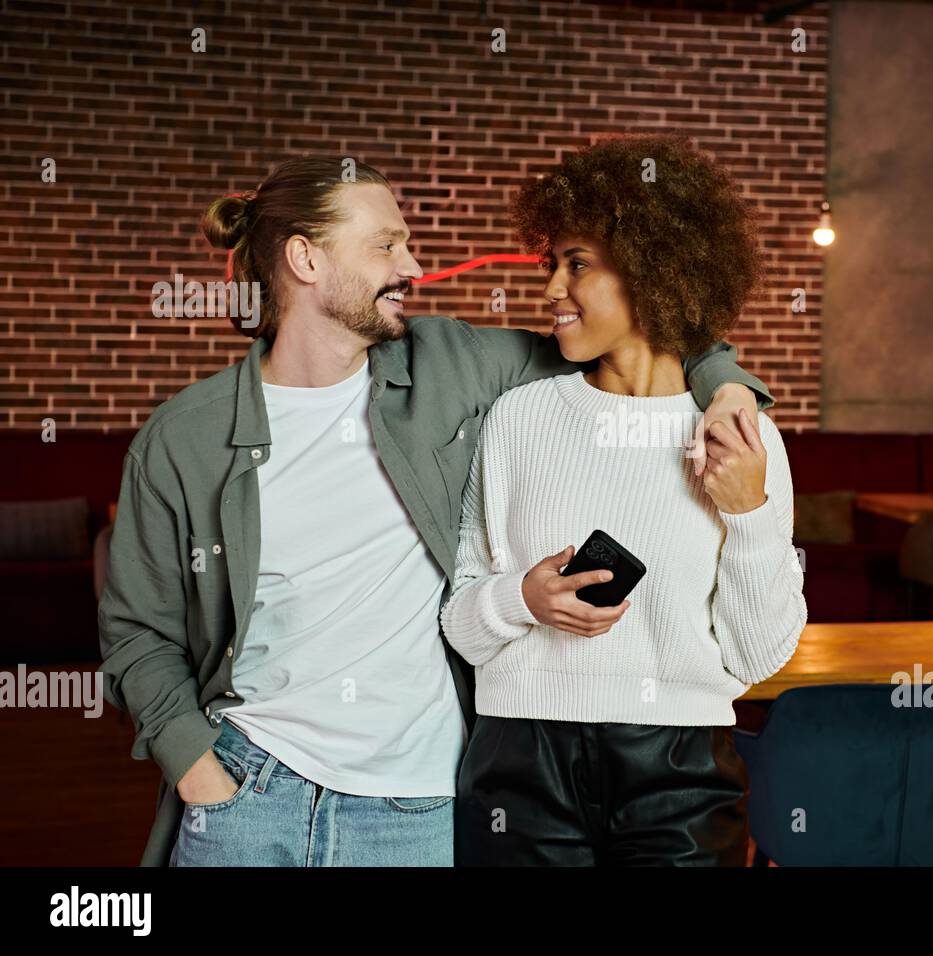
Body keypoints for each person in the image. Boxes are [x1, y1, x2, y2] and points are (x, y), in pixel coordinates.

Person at [97, 155, 773, 866]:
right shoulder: (185, 437)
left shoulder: (454, 364)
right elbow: (137, 632)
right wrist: (202, 777)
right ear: (305, 258)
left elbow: (632, 334)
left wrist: (725, 382)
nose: (412, 265)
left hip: (413, 805)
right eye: (386, 245)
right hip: (247, 792)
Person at [442, 134, 807, 866]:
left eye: (576, 264)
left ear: (653, 269)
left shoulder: (740, 433)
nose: (550, 289)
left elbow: (758, 655)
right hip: (520, 758)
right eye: (552, 264)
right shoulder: (516, 419)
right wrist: (523, 600)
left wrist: (748, 514)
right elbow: (462, 623)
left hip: (681, 770)